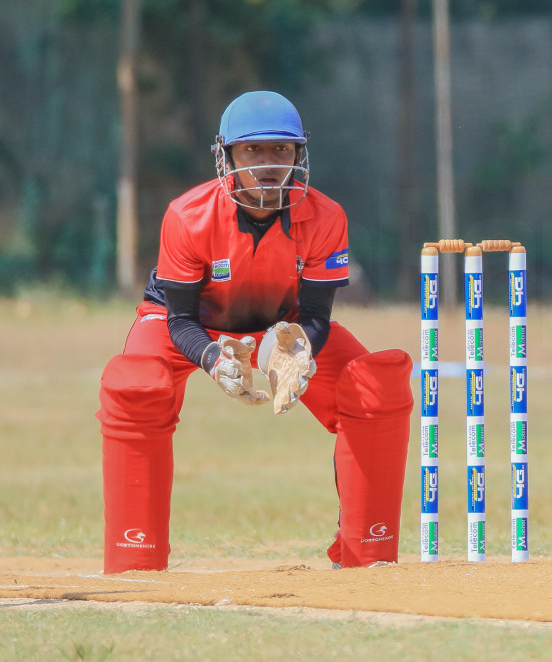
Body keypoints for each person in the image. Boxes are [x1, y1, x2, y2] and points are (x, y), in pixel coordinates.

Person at [97, 90, 412, 573]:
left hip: (280, 326)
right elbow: (179, 319)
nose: (268, 163)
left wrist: (295, 351)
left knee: (377, 387)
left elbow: (316, 315)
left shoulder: (327, 217)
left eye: (280, 151)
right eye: (253, 150)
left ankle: (365, 550)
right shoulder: (188, 215)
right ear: (226, 157)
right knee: (135, 387)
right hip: (185, 324)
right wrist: (213, 358)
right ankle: (134, 556)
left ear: (299, 155)